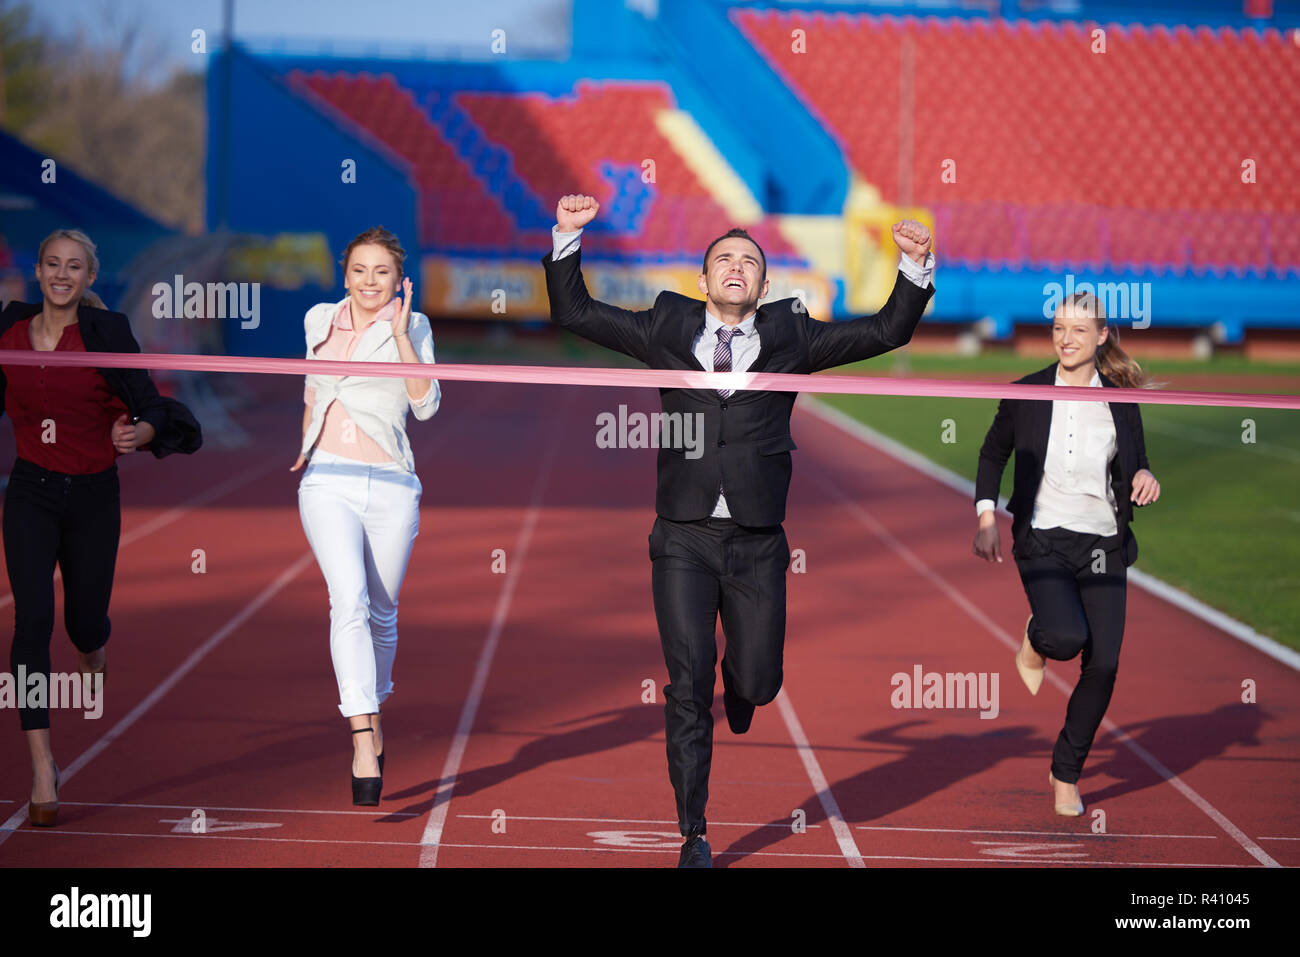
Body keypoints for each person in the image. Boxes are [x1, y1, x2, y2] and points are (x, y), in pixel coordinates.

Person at [543, 194, 935, 866]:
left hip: (757, 541)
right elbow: (575, 312)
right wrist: (567, 237)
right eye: (723, 259)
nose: (735, 267)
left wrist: (915, 264)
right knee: (687, 682)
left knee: (755, 681)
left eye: (748, 262)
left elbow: (885, 332)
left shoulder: (794, 337)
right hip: (683, 537)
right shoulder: (665, 327)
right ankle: (693, 831)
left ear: (763, 284)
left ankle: (745, 684)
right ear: (703, 281)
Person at [0, 228, 201, 827]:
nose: (62, 275)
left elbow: (156, 407)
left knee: (82, 623)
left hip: (92, 497)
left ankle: (94, 648)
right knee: (31, 622)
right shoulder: (8, 331)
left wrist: (138, 432)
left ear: (89, 277)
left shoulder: (107, 333)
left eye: (74, 267)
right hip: (30, 492)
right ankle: (43, 765)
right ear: (38, 272)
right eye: (52, 264)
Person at [972, 291, 1160, 817]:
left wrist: (1144, 476)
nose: (1066, 339)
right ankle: (1038, 636)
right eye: (1058, 328)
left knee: (1103, 663)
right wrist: (987, 517)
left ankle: (1065, 772)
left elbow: (1137, 463)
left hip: (1103, 543)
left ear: (1101, 337)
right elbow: (993, 453)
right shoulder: (1028, 392)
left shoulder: (1121, 396)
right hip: (1044, 538)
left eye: (1079, 330)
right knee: (1066, 636)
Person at [292, 226, 439, 806]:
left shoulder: (416, 324)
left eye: (381, 272)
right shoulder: (317, 319)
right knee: (347, 599)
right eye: (359, 270)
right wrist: (304, 447)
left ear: (399, 280)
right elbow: (311, 389)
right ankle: (360, 732)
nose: (369, 282)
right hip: (328, 478)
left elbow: (426, 407)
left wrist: (401, 337)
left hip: (393, 482)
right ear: (344, 273)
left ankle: (373, 713)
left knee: (382, 613)